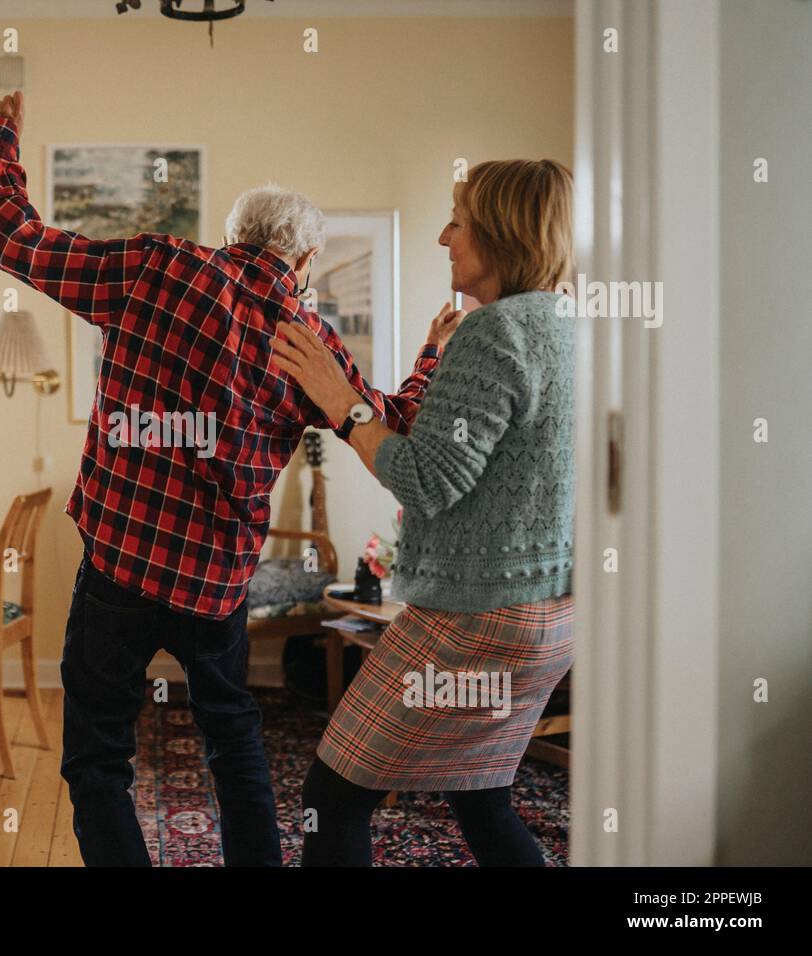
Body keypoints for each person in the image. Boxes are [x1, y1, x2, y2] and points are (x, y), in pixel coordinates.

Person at [0, 92, 457, 866]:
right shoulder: (307, 340)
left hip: (120, 567)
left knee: (97, 761)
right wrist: (433, 354)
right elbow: (392, 421)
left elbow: (10, 238)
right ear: (300, 265)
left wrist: (2, 136)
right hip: (215, 583)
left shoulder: (156, 266)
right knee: (234, 748)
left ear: (232, 239)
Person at [271, 159, 576, 867]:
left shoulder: (494, 332)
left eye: (459, 222)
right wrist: (430, 363)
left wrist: (336, 399)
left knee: (330, 798)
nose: (444, 237)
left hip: (475, 621)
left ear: (501, 235)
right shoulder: (565, 325)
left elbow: (427, 479)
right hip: (550, 615)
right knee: (482, 794)